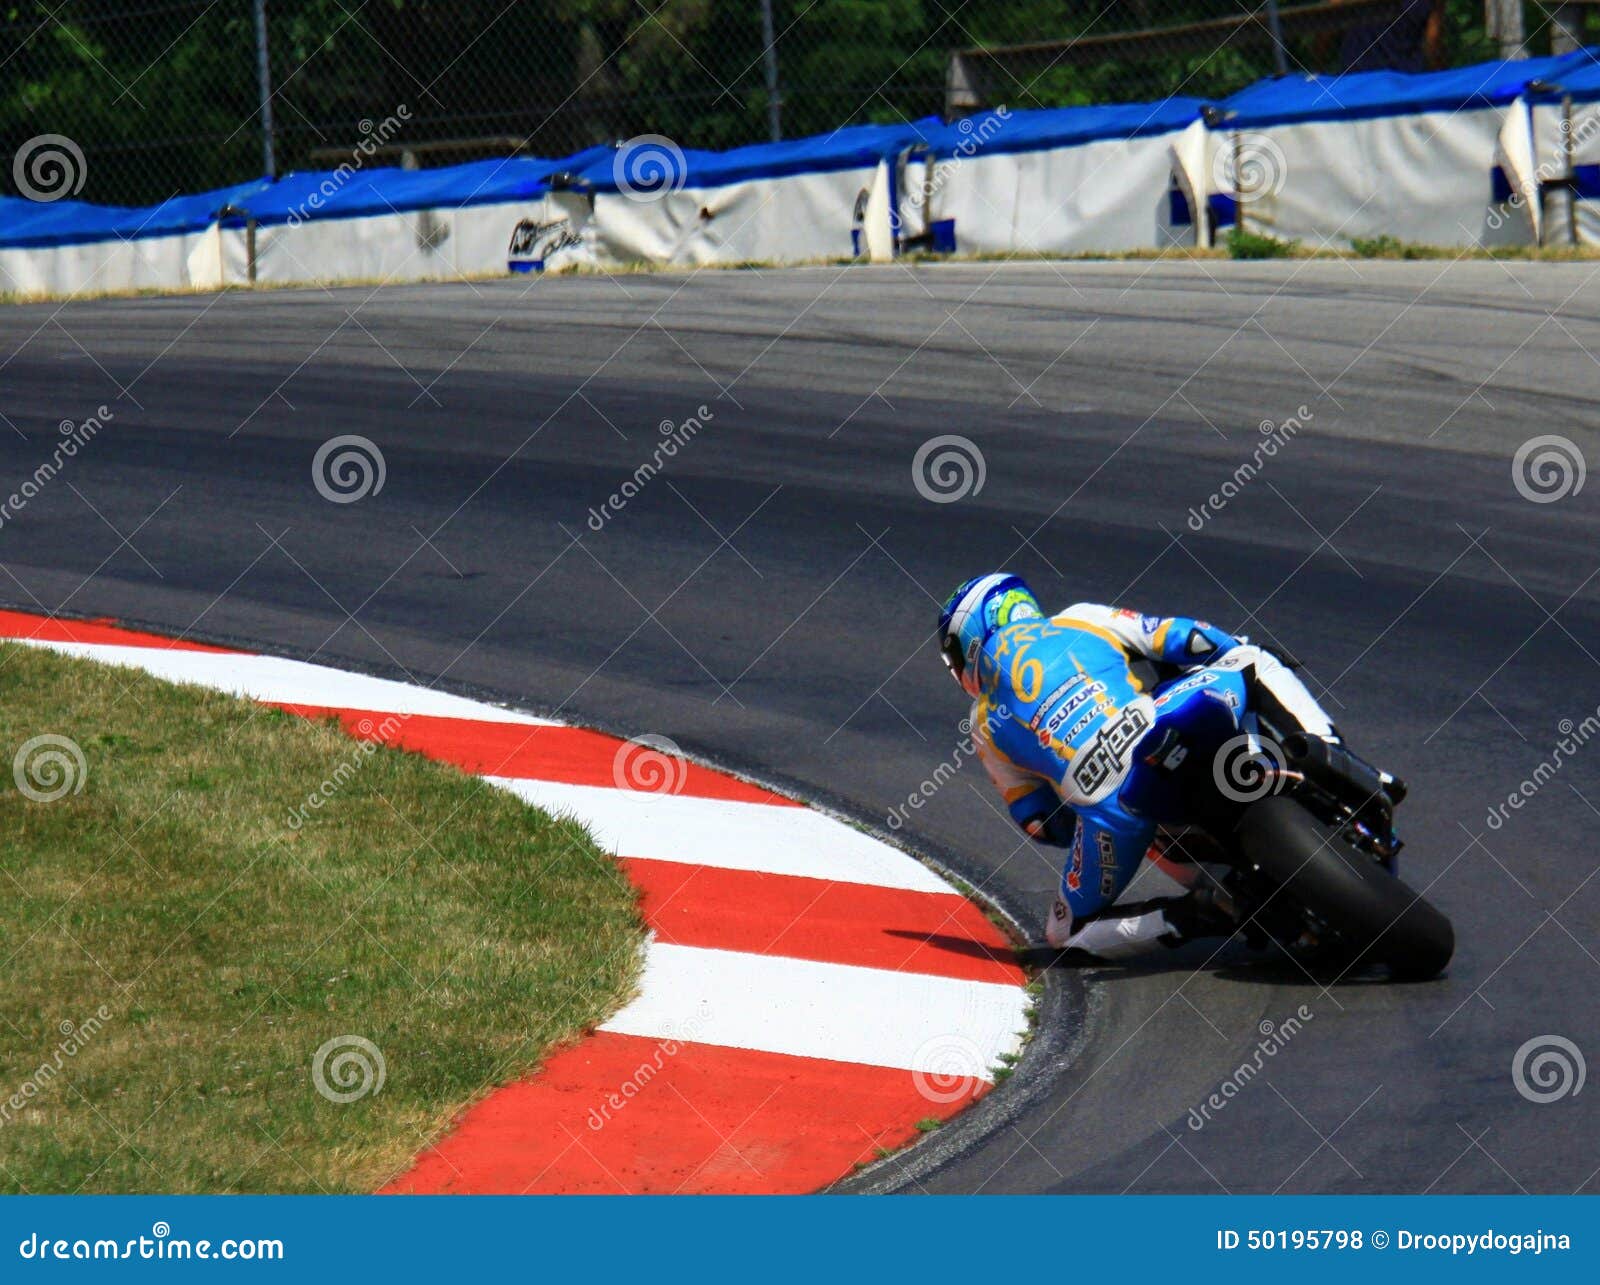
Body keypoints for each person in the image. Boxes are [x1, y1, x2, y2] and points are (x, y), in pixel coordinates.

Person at [936, 573, 1398, 960]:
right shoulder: (1079, 618)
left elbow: (1040, 825)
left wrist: (1075, 797)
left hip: (1112, 802)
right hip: (1162, 721)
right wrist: (1217, 656)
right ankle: (1334, 758)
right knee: (1251, 657)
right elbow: (1186, 637)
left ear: (973, 638)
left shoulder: (982, 723)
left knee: (1066, 935)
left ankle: (1202, 911)